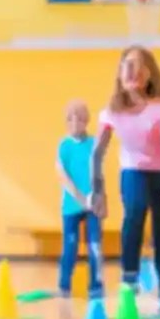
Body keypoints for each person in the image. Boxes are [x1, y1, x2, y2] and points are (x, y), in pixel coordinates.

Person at [88, 46, 160, 311]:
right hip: (133, 172)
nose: (134, 71)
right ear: (119, 73)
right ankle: (129, 277)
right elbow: (97, 153)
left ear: (150, 75)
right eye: (128, 65)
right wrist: (96, 190)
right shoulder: (111, 111)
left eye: (141, 66)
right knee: (135, 210)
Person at [57, 100, 103, 299]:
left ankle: (96, 285)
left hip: (93, 205)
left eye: (80, 118)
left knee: (95, 245)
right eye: (71, 118)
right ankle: (64, 285)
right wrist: (80, 198)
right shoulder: (64, 146)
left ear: (86, 121)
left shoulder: (94, 144)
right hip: (71, 205)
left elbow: (97, 172)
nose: (76, 122)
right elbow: (62, 176)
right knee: (70, 245)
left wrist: (95, 198)